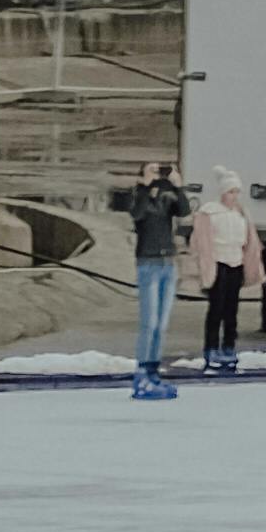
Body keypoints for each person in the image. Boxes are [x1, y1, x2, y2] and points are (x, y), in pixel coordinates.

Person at [118, 152, 195, 399]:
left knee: (161, 324)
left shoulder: (166, 195)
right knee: (148, 322)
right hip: (148, 263)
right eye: (151, 169)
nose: (156, 174)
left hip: (167, 263)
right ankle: (141, 372)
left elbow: (183, 210)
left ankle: (154, 371)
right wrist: (145, 186)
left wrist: (178, 186)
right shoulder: (137, 195)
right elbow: (137, 215)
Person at [191, 168, 255, 379]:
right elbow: (201, 241)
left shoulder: (241, 214)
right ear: (222, 193)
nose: (234, 196)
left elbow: (249, 241)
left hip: (235, 262)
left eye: (237, 192)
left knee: (231, 309)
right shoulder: (210, 212)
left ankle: (229, 346)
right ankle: (211, 347)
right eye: (230, 192)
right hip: (218, 262)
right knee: (216, 308)